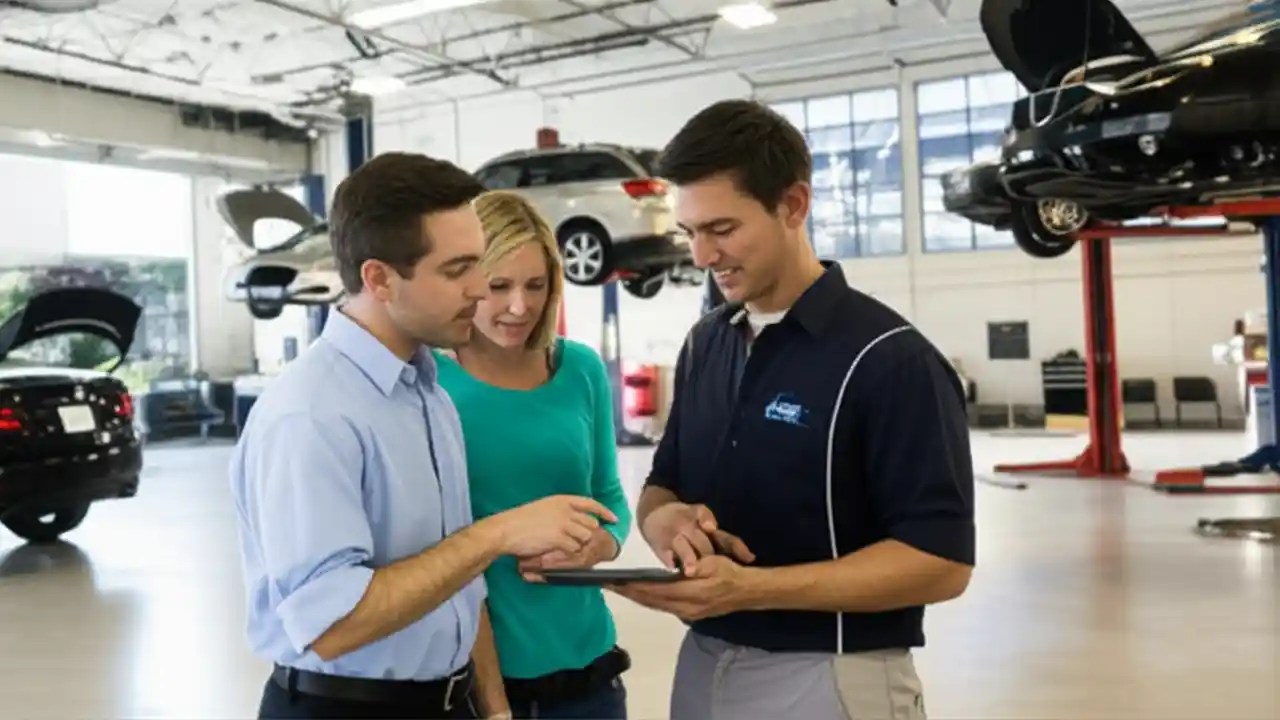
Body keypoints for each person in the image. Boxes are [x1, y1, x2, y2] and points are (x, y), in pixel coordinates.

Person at [610, 100, 977, 720]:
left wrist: (753, 590)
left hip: (833, 677)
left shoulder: (889, 359)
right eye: (689, 232)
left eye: (722, 229)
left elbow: (940, 562)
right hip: (704, 664)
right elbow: (662, 483)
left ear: (793, 205)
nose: (702, 256)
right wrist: (665, 523)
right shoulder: (707, 343)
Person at [229, 152, 617, 720]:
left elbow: (455, 584)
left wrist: (495, 708)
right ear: (379, 278)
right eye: (458, 269)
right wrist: (499, 533)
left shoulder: (426, 394)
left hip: (450, 698)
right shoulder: (310, 416)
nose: (483, 290)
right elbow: (333, 625)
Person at [434, 190, 634, 720]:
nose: (520, 306)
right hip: (485, 684)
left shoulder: (581, 370)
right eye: (498, 286)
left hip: (591, 669)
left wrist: (601, 545)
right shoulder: (432, 385)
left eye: (536, 285)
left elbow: (609, 495)